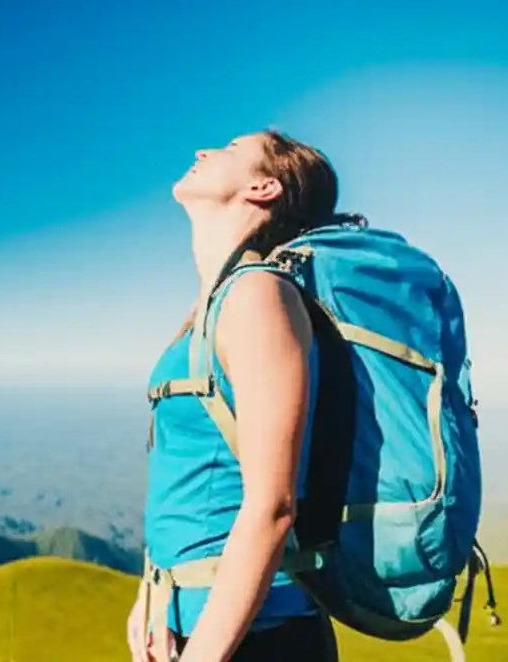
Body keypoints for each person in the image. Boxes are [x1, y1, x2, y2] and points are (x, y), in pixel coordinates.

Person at [127, 130, 347, 662]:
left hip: (261, 639)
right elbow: (189, 475)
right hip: (205, 629)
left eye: (228, 150)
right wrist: (152, 592)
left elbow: (272, 505)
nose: (202, 151)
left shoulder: (258, 296)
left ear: (264, 186)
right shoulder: (220, 303)